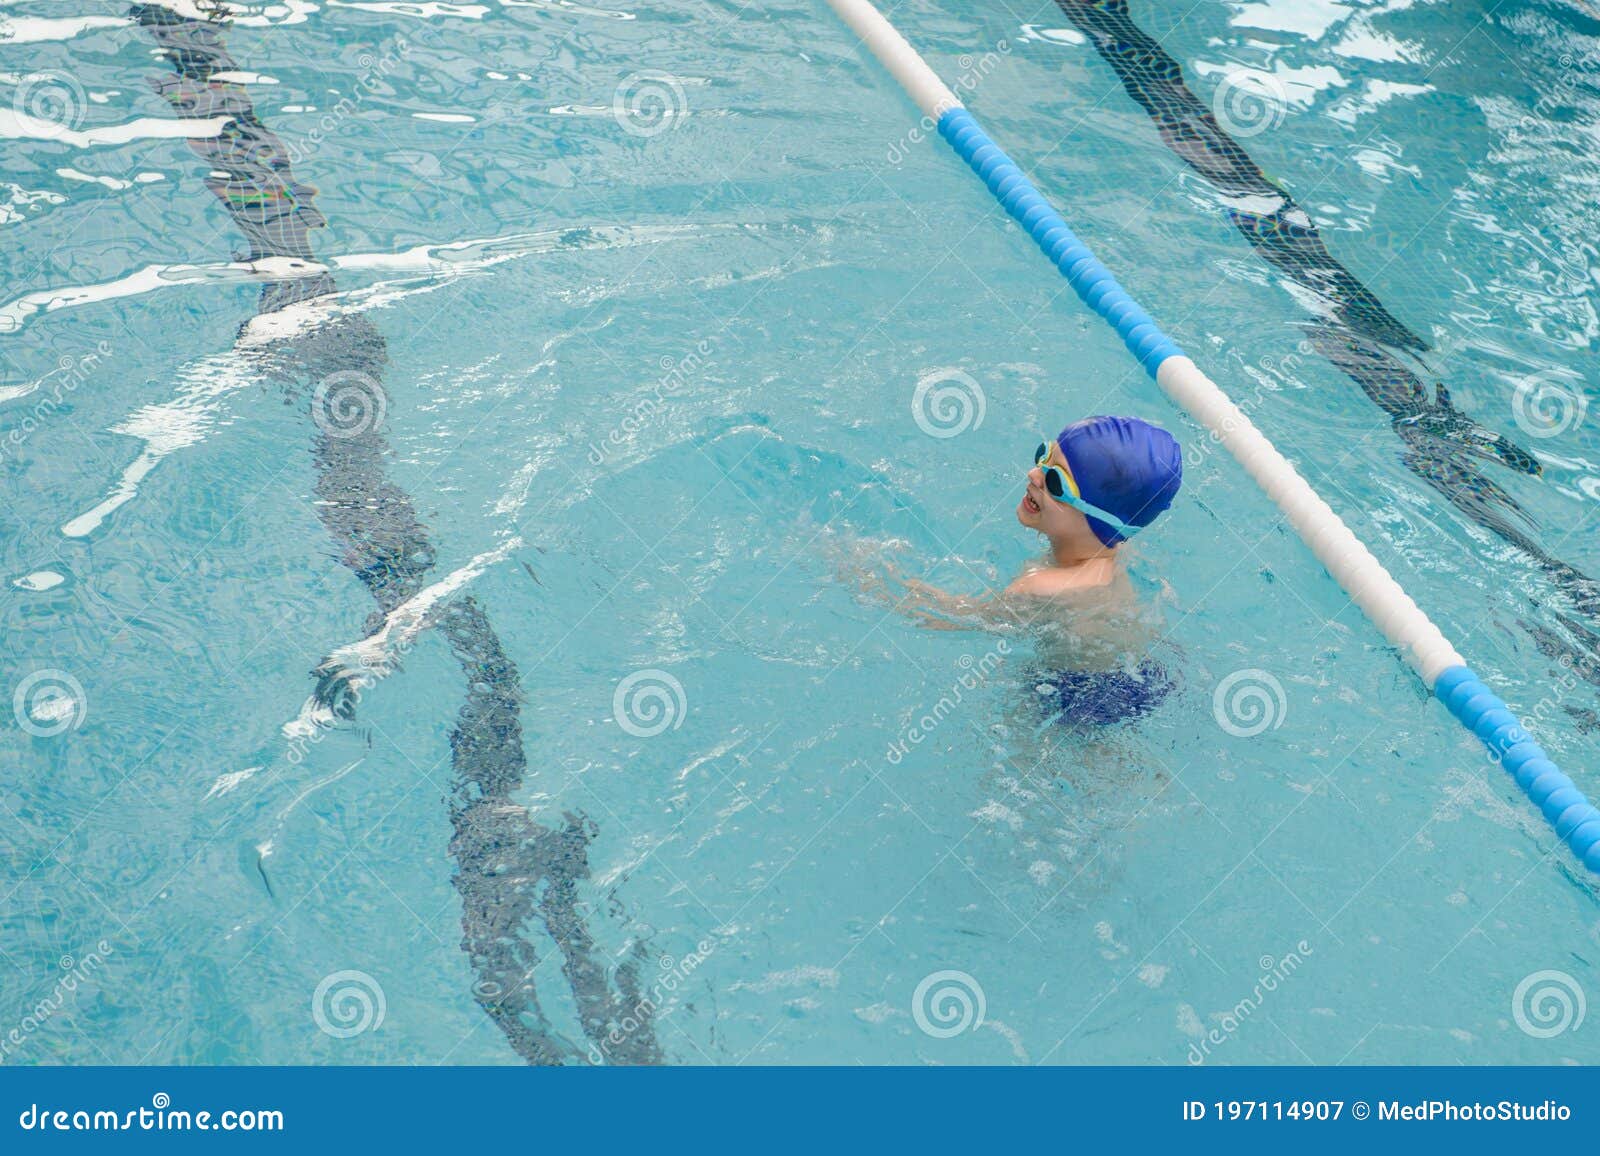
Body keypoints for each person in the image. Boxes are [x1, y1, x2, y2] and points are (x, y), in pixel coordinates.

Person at [884, 415, 1184, 729]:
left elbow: (947, 617)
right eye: (1044, 456)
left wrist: (875, 580)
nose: (1034, 474)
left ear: (1100, 517)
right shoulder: (1117, 550)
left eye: (1055, 482)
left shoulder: (1041, 587)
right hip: (1140, 671)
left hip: (1078, 696)